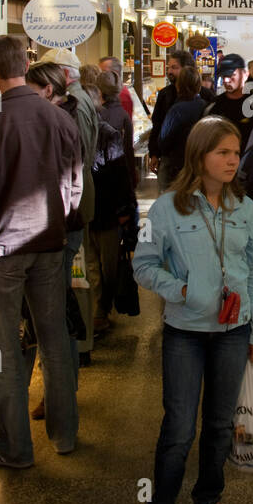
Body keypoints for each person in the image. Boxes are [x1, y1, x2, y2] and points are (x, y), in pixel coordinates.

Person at [133, 116, 253, 504]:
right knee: (178, 424)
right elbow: (143, 264)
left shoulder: (246, 209)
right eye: (222, 152)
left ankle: (208, 500)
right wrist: (183, 290)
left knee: (220, 423)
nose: (232, 160)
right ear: (199, 155)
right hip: (184, 332)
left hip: (234, 332)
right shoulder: (165, 208)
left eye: (235, 152)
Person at [0, 35, 84, 468]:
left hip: (1, 250)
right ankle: (65, 434)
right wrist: (57, 223)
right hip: (51, 244)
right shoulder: (60, 120)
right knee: (53, 339)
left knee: (3, 348)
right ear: (24, 65)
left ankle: (14, 448)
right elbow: (74, 186)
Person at [27, 61, 96, 381]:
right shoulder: (58, 116)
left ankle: (61, 383)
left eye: (30, 91)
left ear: (49, 89)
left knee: (55, 306)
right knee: (47, 305)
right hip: (55, 224)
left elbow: (69, 174)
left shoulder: (65, 119)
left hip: (61, 225)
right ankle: (49, 380)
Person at [88, 68, 139, 335]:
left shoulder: (105, 130)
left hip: (95, 207)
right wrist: (127, 205)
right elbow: (125, 163)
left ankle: (98, 309)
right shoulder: (118, 120)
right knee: (106, 262)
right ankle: (99, 310)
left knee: (96, 264)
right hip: (108, 207)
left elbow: (121, 165)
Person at [148, 50, 191, 193]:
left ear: (186, 69)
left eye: (174, 67)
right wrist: (154, 153)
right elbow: (157, 124)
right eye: (169, 67)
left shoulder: (202, 95)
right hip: (167, 158)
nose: (169, 71)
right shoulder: (165, 94)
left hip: (191, 160)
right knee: (166, 201)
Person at [158, 63, 207, 184]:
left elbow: (163, 140)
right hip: (199, 164)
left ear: (179, 85)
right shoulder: (205, 106)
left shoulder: (176, 110)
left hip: (177, 166)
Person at [206, 53, 253, 149]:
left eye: (231, 75)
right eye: (223, 76)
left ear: (245, 75)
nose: (226, 80)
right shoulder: (214, 105)